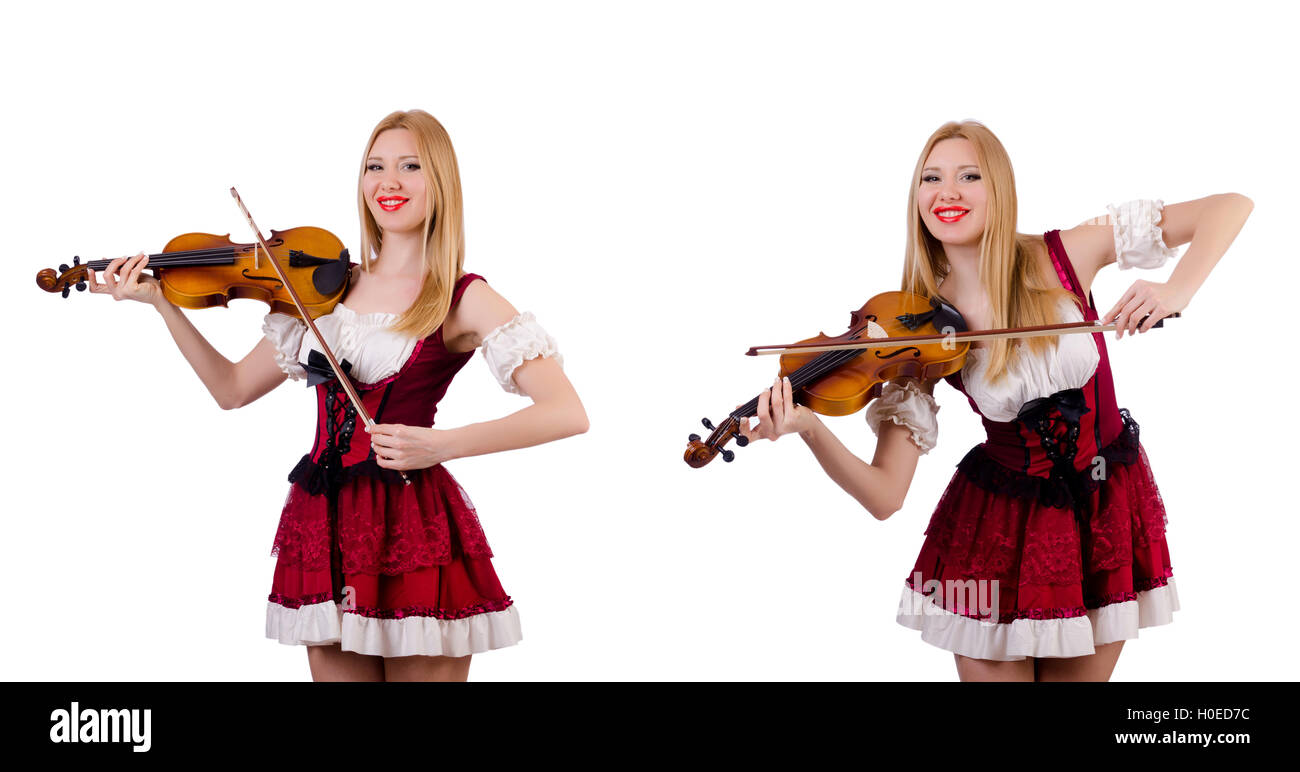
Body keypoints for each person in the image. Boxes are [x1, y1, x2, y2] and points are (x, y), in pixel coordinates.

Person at [739, 120, 1252, 682]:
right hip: (997, 534)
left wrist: (1176, 289)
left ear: (999, 189)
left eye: (969, 175)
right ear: (917, 198)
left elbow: (1228, 206)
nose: (947, 191)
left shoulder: (1068, 253)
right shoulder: (921, 329)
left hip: (1101, 508)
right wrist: (810, 427)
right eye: (931, 178)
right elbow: (884, 495)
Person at [87, 109, 588, 682]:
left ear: (441, 182)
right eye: (375, 166)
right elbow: (231, 390)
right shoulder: (321, 287)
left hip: (412, 526)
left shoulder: (462, 296)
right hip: (323, 522)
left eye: (410, 166)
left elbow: (566, 412)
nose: (388, 182)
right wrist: (162, 303)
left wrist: (441, 443)